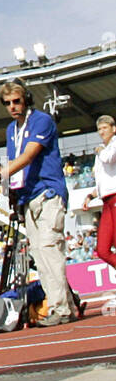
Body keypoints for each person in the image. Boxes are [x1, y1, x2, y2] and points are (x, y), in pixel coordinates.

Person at [0, 80, 73, 325]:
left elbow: (28, 155)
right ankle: (67, 304)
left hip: (48, 192)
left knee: (50, 250)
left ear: (26, 99)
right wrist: (11, 196)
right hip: (28, 198)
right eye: (8, 103)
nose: (12, 107)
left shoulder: (41, 120)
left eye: (17, 101)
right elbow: (15, 163)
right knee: (40, 255)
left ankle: (61, 309)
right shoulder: (11, 130)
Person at [88, 114, 116, 276]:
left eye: (105, 128)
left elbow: (109, 158)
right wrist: (90, 196)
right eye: (99, 129)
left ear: (113, 129)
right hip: (106, 200)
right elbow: (101, 179)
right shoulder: (101, 149)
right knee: (102, 249)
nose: (101, 132)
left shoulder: (111, 146)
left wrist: (100, 150)